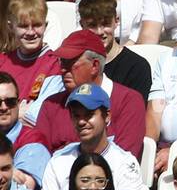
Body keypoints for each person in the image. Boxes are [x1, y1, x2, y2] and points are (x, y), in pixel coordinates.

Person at [28, 31, 146, 164]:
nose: (62, 69)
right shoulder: (51, 105)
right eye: (62, 62)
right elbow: (38, 158)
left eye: (70, 63)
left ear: (95, 66)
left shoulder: (128, 101)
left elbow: (124, 162)